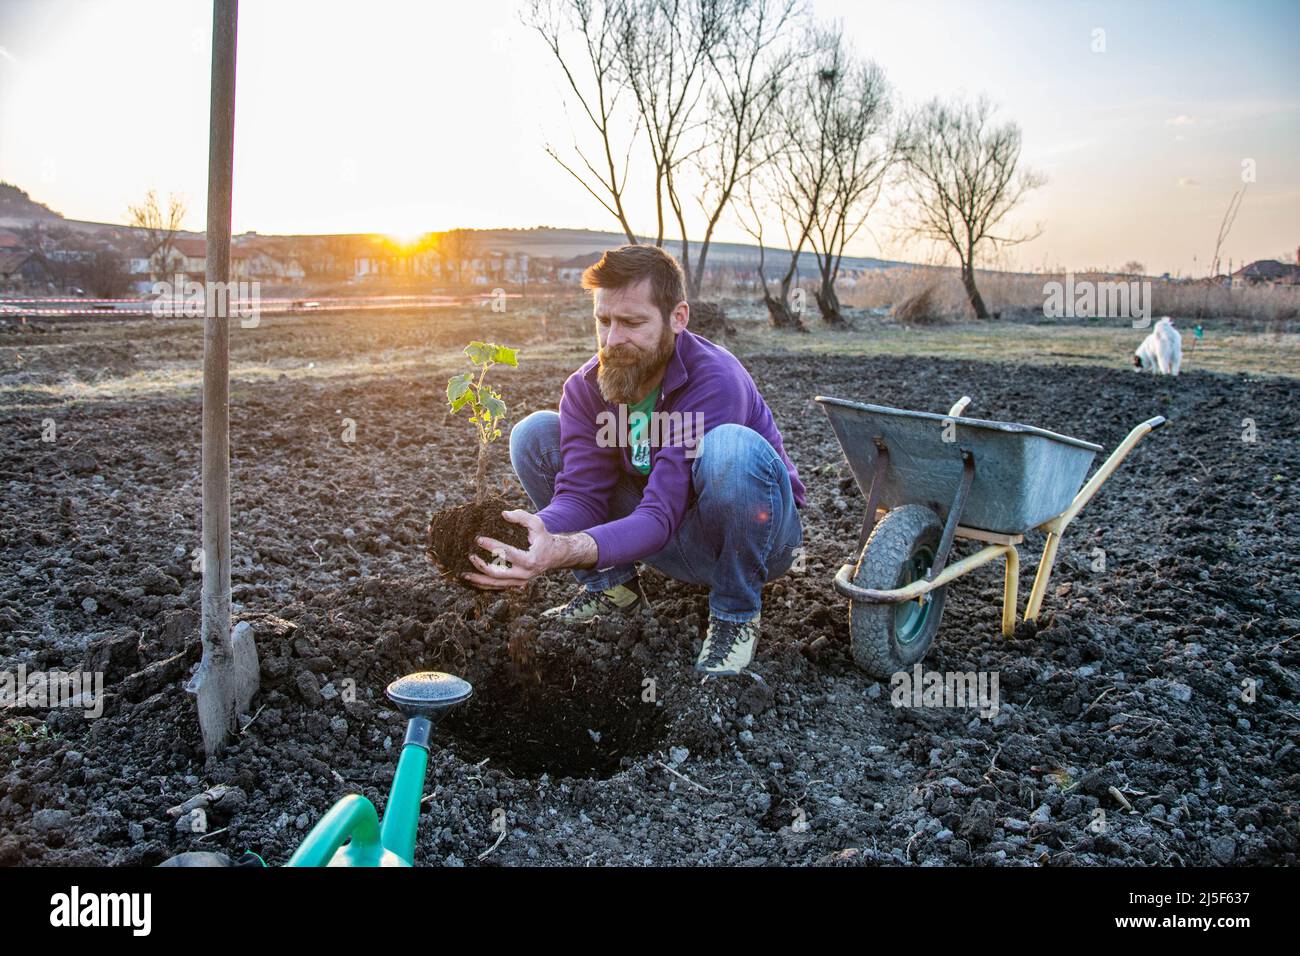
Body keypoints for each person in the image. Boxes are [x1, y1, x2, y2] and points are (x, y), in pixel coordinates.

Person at [463, 245, 805, 676]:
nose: (612, 339)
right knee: (534, 435)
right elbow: (582, 498)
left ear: (678, 318)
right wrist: (533, 535)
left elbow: (661, 513)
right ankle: (613, 589)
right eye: (603, 321)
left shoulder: (713, 380)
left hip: (754, 537)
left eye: (632, 323)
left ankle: (735, 613)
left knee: (731, 449)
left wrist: (567, 550)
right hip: (665, 537)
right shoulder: (587, 387)